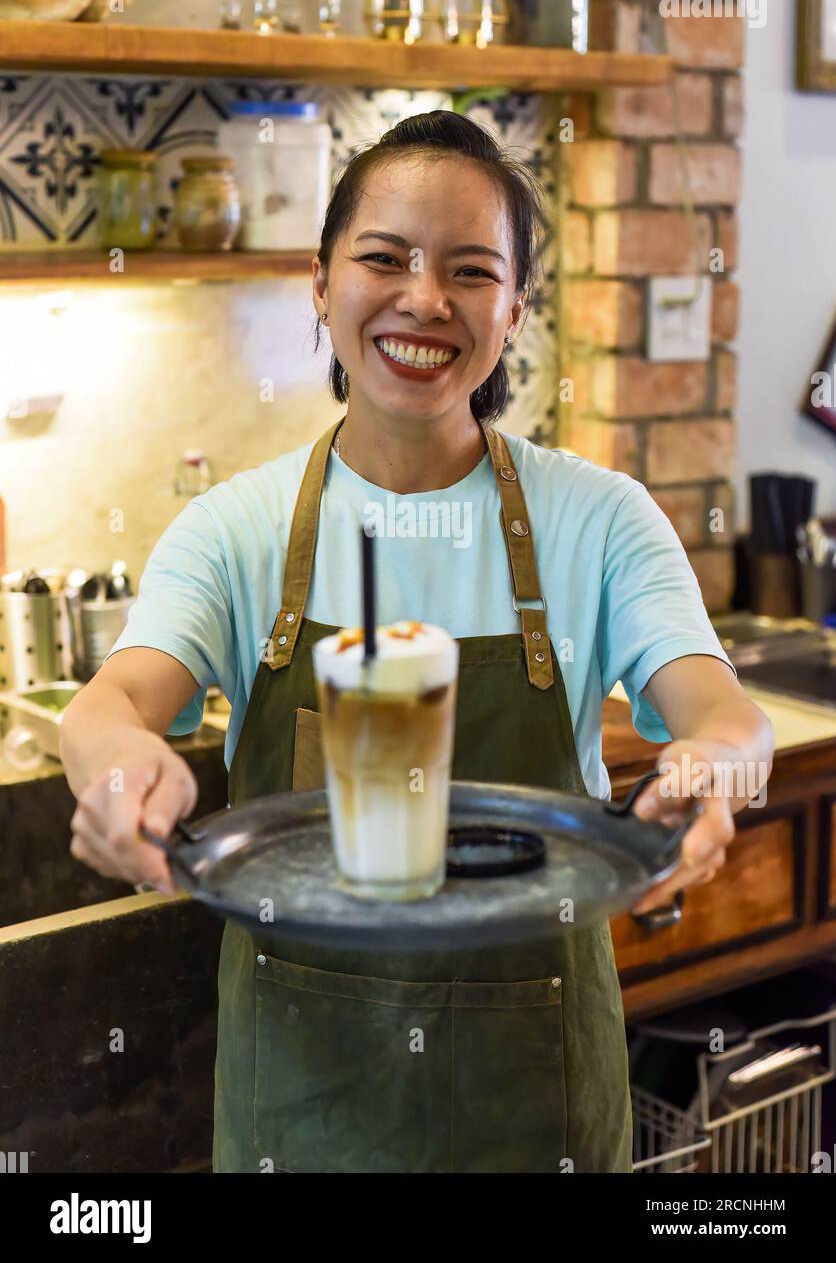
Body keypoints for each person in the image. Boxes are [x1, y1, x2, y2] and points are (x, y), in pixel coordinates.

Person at [61, 109, 774, 1174]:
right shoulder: (235, 530)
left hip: (537, 1106)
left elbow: (728, 719)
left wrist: (713, 771)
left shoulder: (599, 518)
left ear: (514, 309)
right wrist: (118, 771)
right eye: (383, 257)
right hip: (304, 1113)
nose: (424, 300)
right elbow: (104, 709)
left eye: (471, 271)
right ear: (319, 283)